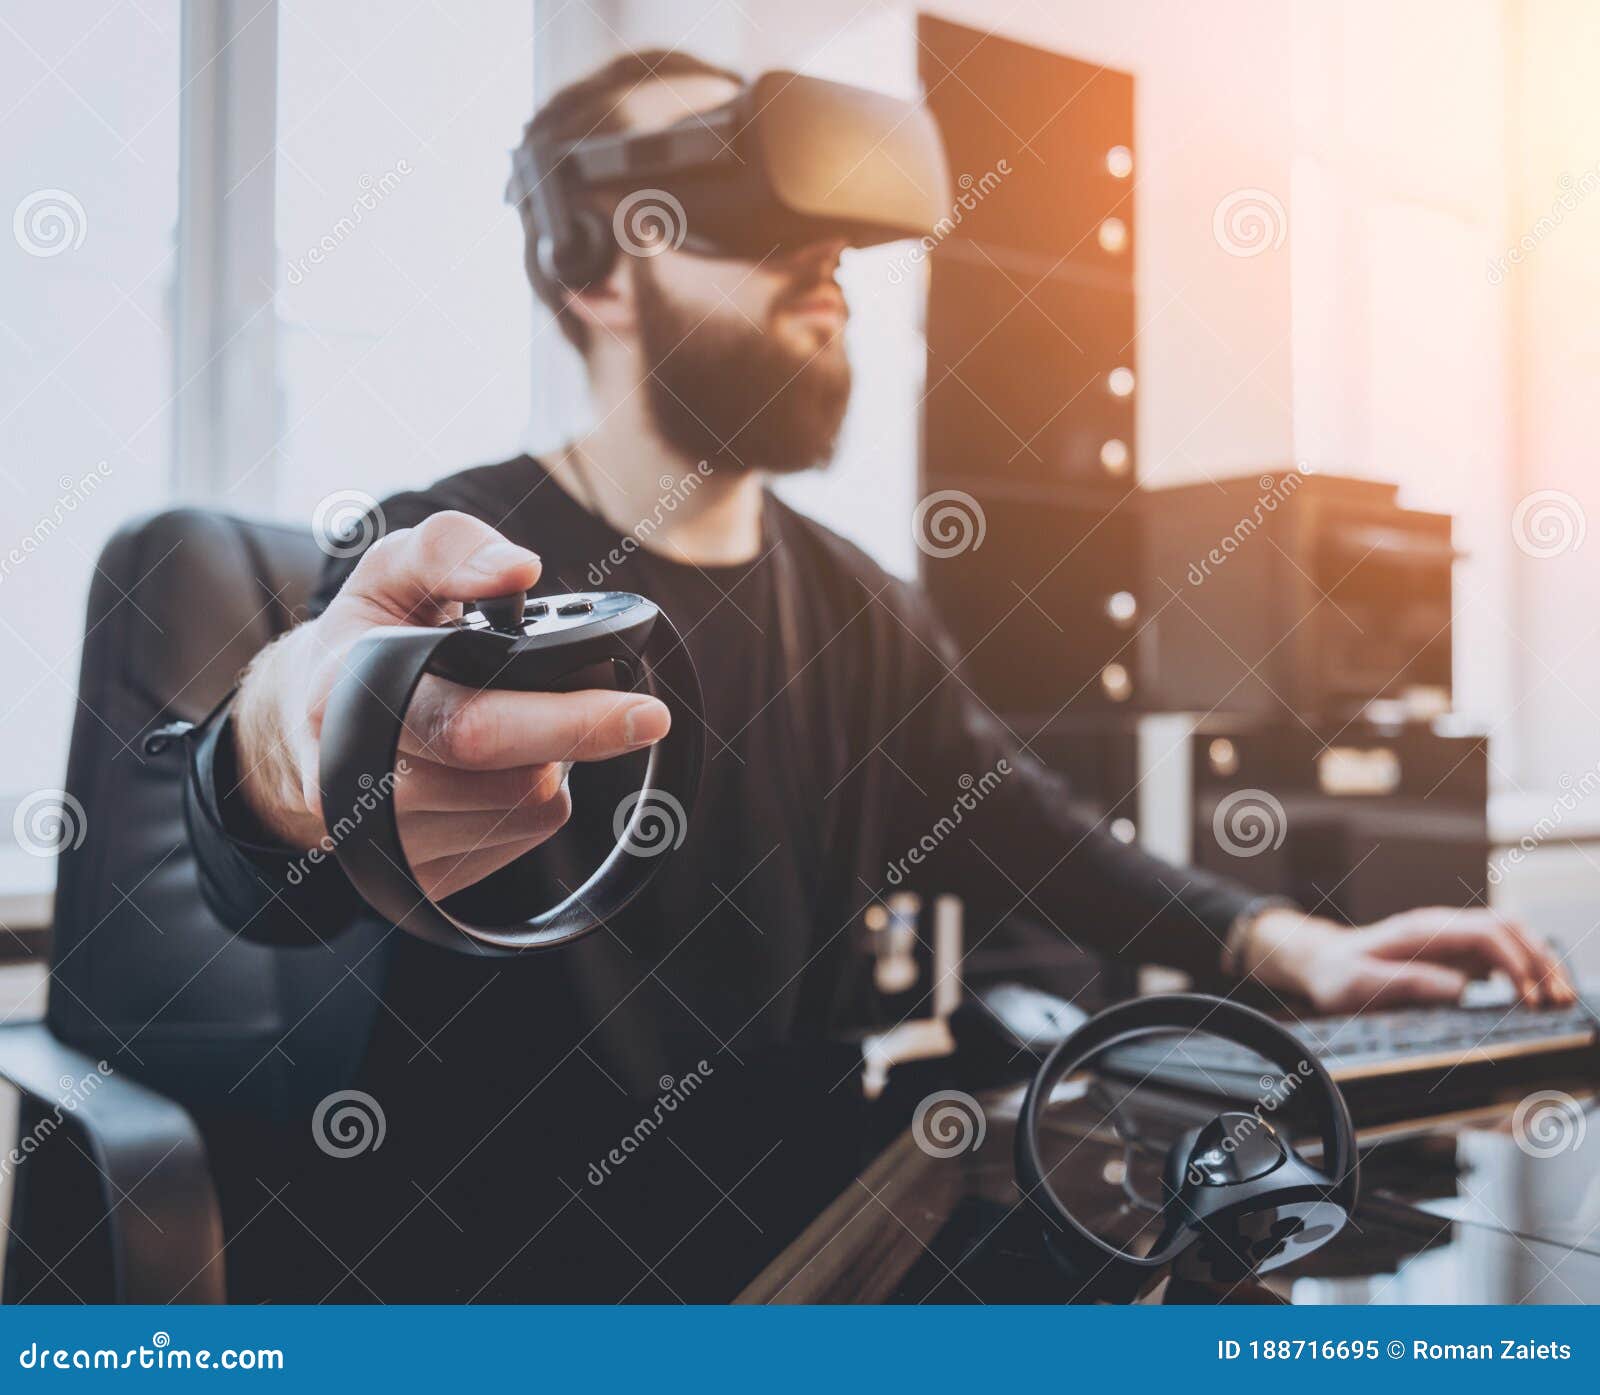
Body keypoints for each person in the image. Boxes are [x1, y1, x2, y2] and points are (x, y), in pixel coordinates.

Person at [184, 50, 1573, 1302]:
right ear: (595, 270)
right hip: (528, 1270)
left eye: (827, 221)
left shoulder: (855, 602)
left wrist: (1296, 945)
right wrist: (282, 743)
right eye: (736, 205)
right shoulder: (455, 554)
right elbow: (288, 807)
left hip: (807, 1228)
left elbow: (1014, 823)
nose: (822, 257)